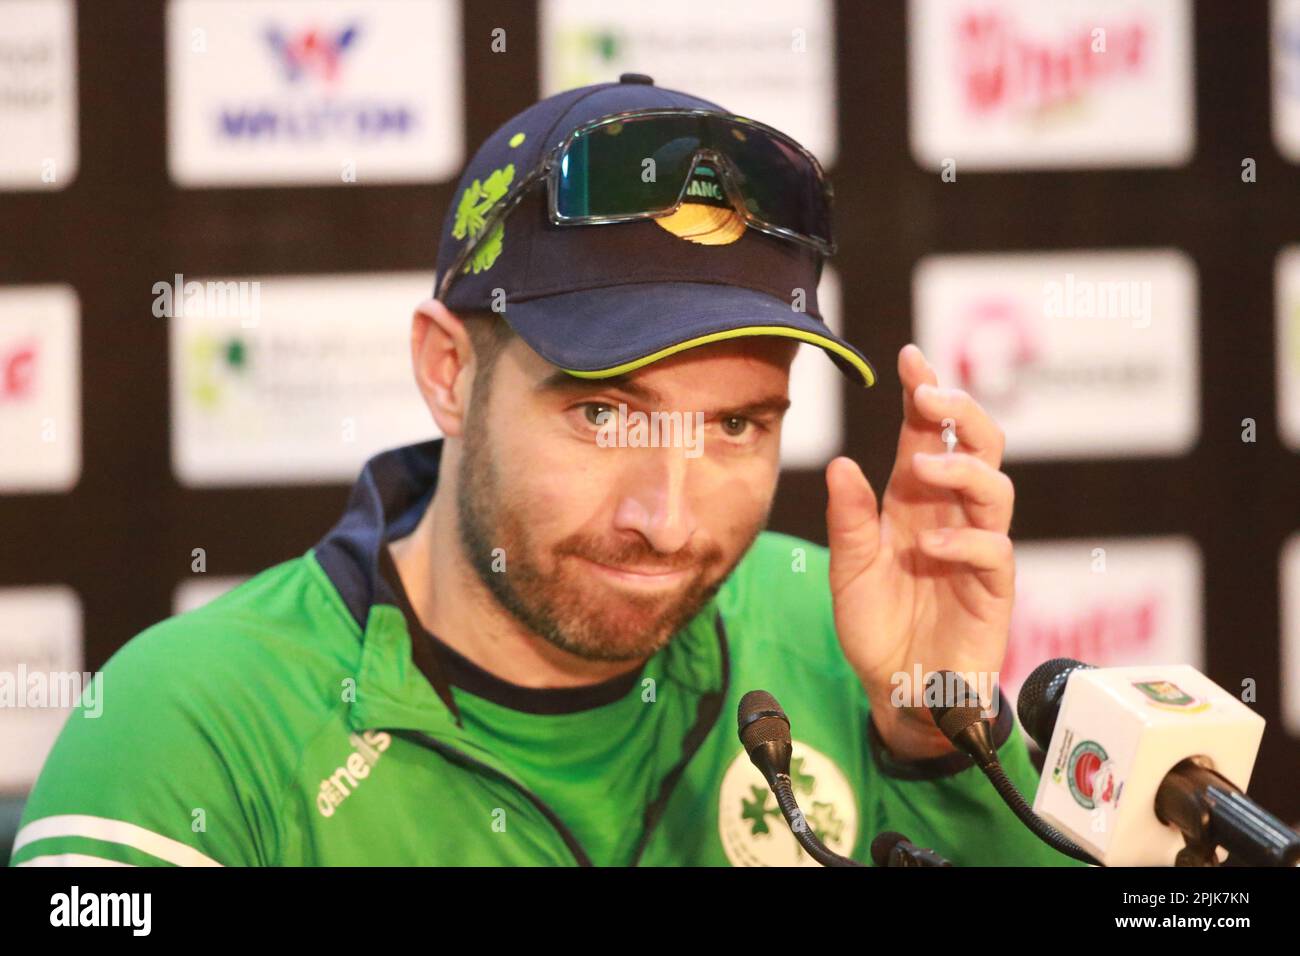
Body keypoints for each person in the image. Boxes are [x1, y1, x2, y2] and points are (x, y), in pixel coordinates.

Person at [11, 75, 1082, 867]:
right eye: (603, 412)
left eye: (738, 428)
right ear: (447, 371)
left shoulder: (848, 637)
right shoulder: (192, 724)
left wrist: (937, 729)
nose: (669, 519)